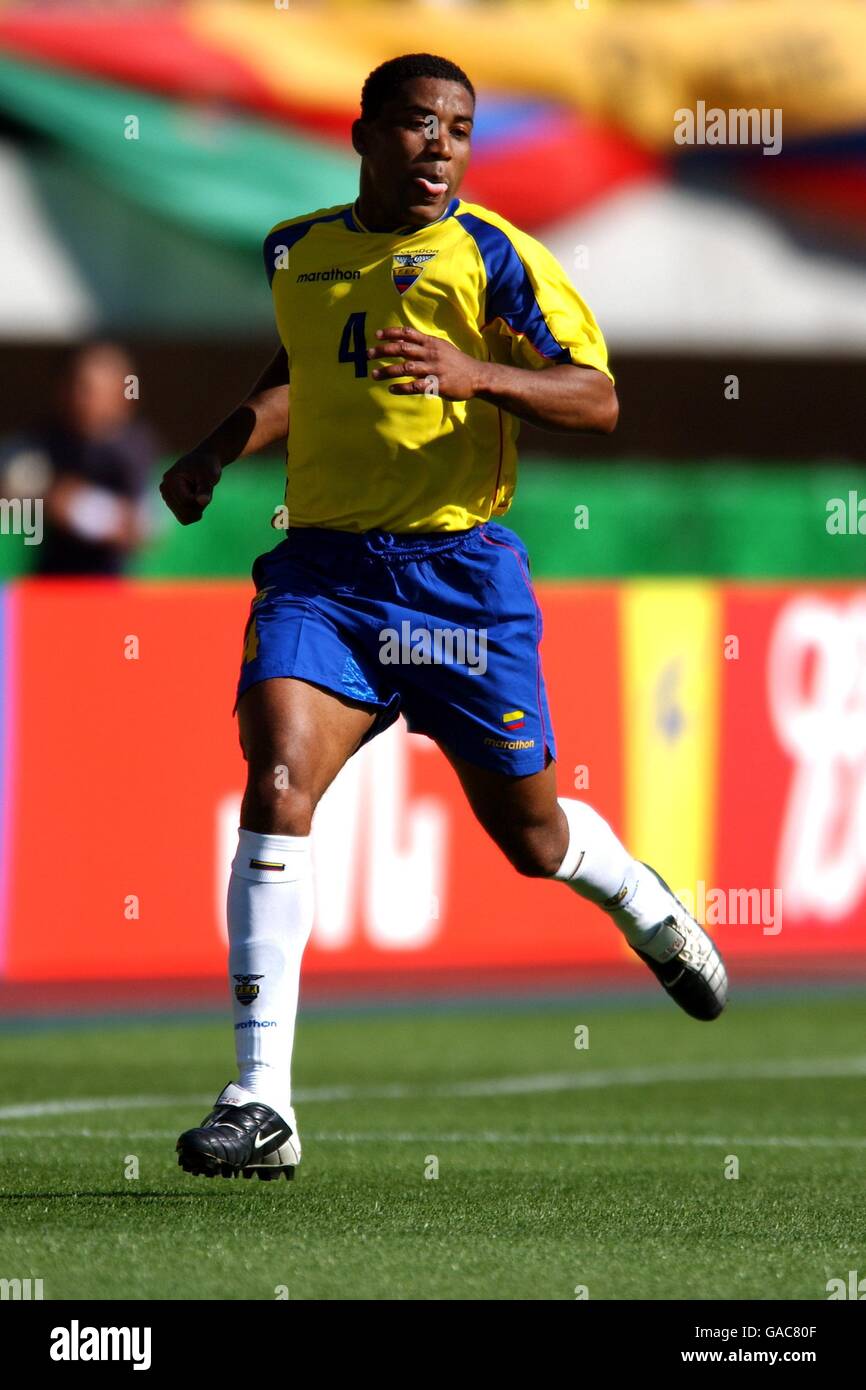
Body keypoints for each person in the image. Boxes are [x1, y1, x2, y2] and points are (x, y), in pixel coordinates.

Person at [160, 53, 728, 1184]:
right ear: (367, 134)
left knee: (533, 839)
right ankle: (260, 1100)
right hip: (323, 574)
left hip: (458, 581)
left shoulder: (496, 257)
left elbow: (597, 396)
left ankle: (635, 894)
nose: (439, 148)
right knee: (276, 775)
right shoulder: (297, 251)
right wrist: (221, 444)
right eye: (419, 126)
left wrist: (481, 374)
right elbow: (305, 372)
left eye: (458, 131)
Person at [0, 342, 155, 576]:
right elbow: (11, 481)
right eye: (77, 386)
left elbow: (143, 528)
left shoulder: (136, 447)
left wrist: (84, 508)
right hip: (51, 587)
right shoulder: (44, 438)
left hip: (108, 592)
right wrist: (47, 494)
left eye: (92, 390)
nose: (81, 399)